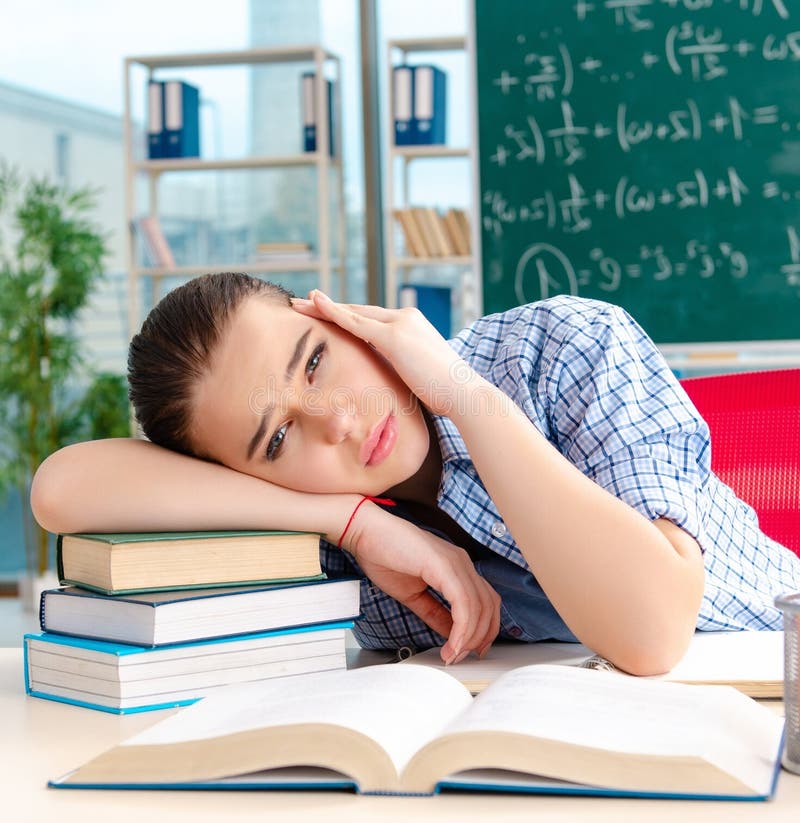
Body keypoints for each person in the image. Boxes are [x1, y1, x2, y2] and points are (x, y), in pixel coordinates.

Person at [31, 273, 800, 676]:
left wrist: (466, 397)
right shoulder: (332, 545)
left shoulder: (562, 350)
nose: (336, 421)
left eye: (317, 359)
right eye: (277, 439)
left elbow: (653, 631)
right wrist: (352, 522)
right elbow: (60, 488)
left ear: (335, 313)